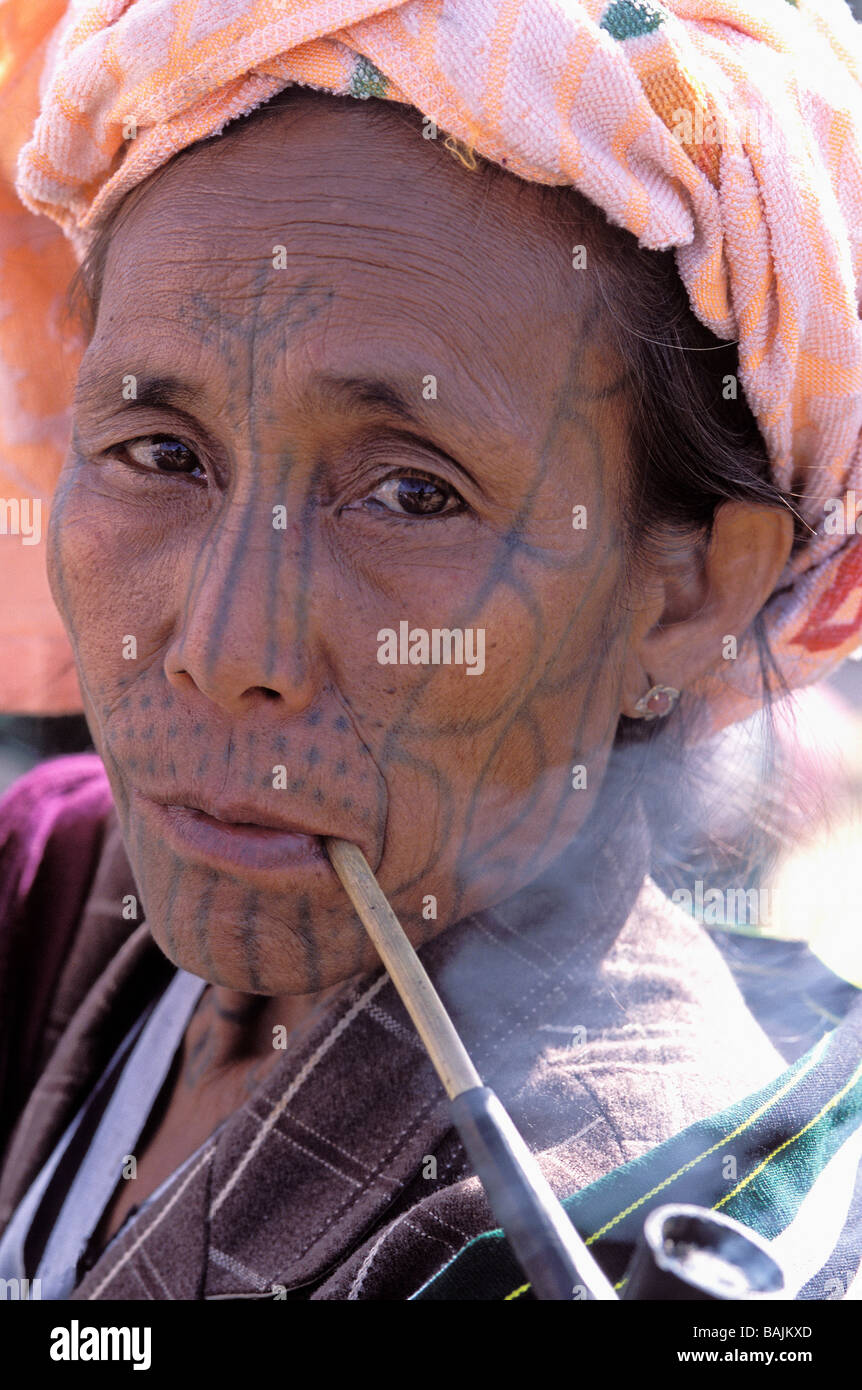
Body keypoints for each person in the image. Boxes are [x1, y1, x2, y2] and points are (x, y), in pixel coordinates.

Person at [0, 0, 860, 1302]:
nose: (226, 652)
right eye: (161, 454)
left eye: (411, 495)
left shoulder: (592, 1238)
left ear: (687, 593)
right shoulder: (57, 887)